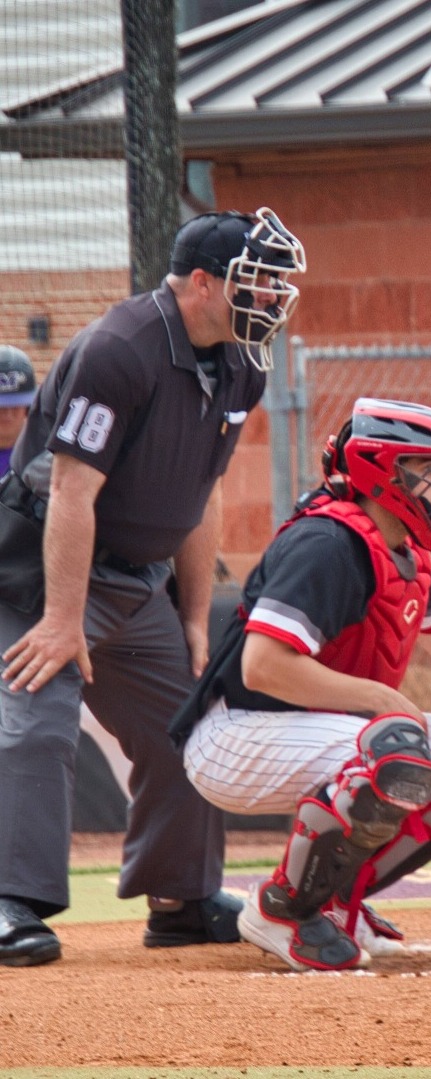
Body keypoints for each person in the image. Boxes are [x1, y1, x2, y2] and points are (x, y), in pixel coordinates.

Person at [0, 209, 304, 968]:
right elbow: (70, 492)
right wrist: (63, 621)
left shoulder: (243, 360)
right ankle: (10, 900)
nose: (270, 298)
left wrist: (195, 618)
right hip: (42, 570)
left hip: (141, 580)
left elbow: (203, 492)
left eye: (274, 283)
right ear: (202, 282)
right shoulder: (119, 349)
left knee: (190, 730)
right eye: (256, 282)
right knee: (35, 719)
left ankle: (181, 898)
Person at [171, 399, 431, 971]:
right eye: (427, 470)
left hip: (305, 729)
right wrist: (382, 701)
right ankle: (284, 908)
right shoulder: (328, 545)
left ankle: (336, 902)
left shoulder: (403, 549)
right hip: (237, 735)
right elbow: (261, 667)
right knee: (397, 753)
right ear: (382, 472)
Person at [0, 346, 36, 474]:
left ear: (28, 408)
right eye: (1, 406)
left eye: (15, 404)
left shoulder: (45, 457)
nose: (7, 412)